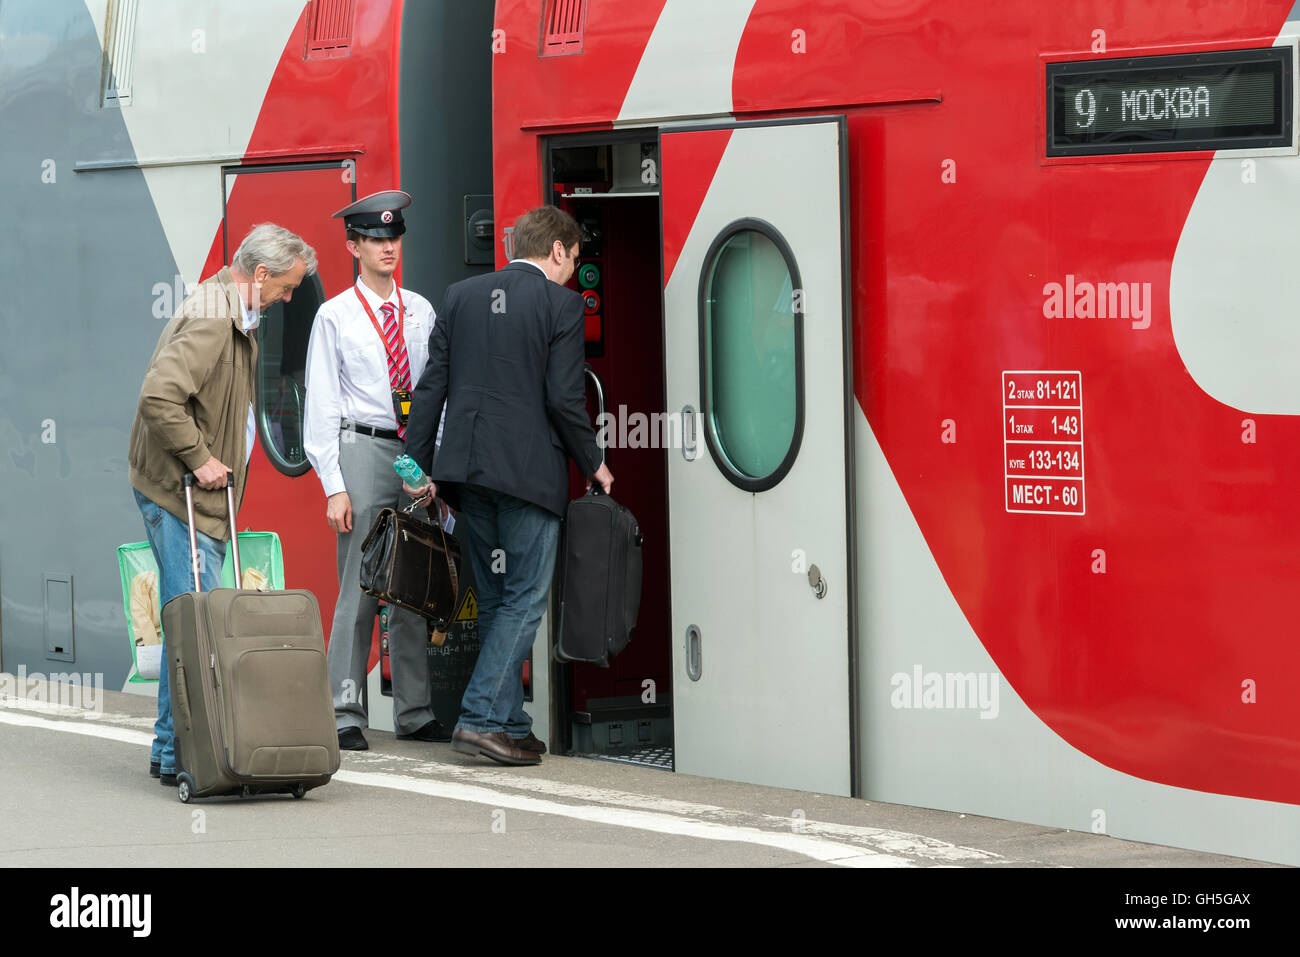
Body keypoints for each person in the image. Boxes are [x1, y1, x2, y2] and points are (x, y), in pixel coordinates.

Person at [404, 205, 614, 766]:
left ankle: (509, 721)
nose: (574, 269)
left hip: (467, 475)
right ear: (558, 251)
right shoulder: (562, 305)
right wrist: (593, 461)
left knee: (498, 598)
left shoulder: (461, 296)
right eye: (575, 257)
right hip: (526, 476)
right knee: (525, 597)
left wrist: (415, 467)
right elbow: (564, 399)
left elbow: (431, 389)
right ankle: (478, 719)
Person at [130, 224, 316, 787]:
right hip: (181, 494)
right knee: (197, 625)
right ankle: (184, 751)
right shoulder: (215, 316)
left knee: (191, 620)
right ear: (260, 275)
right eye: (285, 288)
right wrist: (202, 457)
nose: (287, 298)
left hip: (193, 498)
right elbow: (159, 396)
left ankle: (174, 750)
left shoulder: (232, 311)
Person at [303, 189, 448, 751]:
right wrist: (333, 487)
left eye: (394, 238)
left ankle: (413, 711)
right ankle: (345, 709)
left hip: (412, 450)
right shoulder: (334, 314)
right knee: (360, 585)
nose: (389, 247)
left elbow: (434, 390)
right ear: (353, 246)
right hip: (362, 448)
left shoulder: (420, 309)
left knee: (413, 581)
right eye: (377, 240)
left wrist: (433, 464)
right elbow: (322, 405)